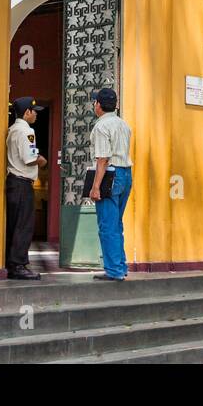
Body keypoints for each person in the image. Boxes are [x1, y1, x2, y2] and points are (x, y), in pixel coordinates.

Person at [88, 87, 132, 281]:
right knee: (116, 223)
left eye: (95, 102)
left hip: (110, 175)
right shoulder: (124, 124)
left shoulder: (101, 126)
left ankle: (114, 271)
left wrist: (96, 186)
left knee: (107, 225)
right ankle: (121, 266)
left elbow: (103, 159)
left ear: (98, 104)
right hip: (126, 174)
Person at [5, 96, 48, 280]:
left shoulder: (12, 130)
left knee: (15, 225)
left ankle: (12, 262)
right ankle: (19, 265)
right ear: (26, 112)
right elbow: (29, 158)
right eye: (34, 111)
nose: (36, 114)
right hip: (23, 183)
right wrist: (42, 160)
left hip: (13, 182)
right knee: (24, 226)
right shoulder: (26, 131)